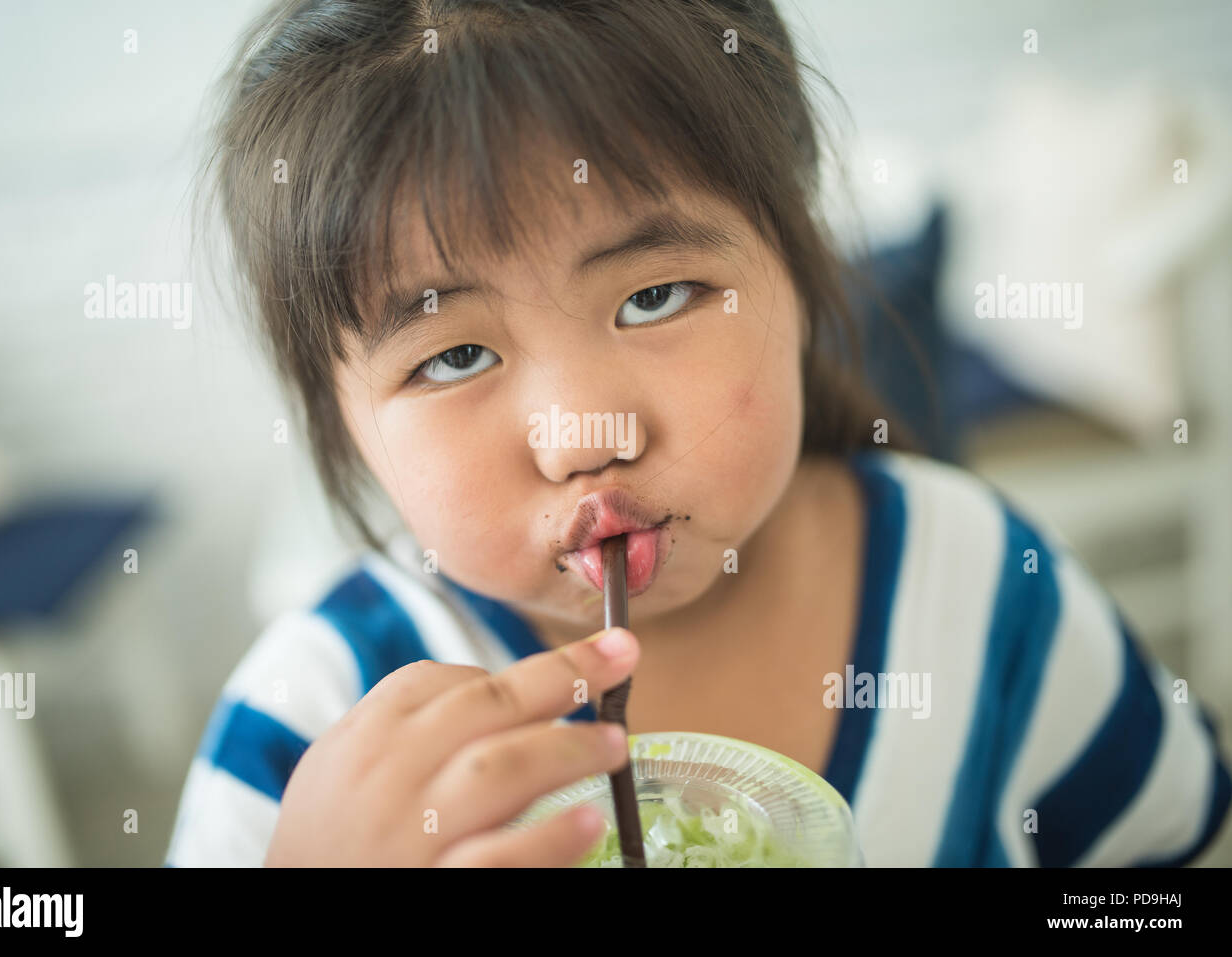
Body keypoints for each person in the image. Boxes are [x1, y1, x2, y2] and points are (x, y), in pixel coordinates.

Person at [166, 0, 1230, 866]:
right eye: (452, 358)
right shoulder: (309, 717)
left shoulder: (983, 584)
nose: (585, 436)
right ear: (344, 426)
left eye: (657, 295)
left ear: (803, 274)